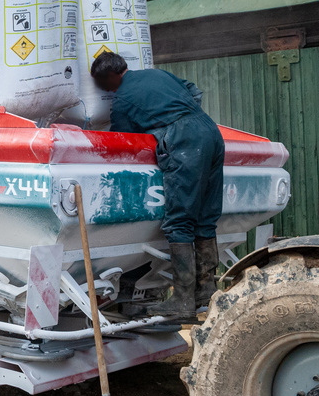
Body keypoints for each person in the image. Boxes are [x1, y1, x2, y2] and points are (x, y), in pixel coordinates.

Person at [91, 52, 224, 319]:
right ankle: (206, 291)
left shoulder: (123, 101)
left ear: (110, 77)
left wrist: (171, 127)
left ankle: (183, 300)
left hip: (184, 141)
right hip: (210, 132)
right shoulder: (156, 73)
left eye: (101, 84)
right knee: (205, 218)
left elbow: (124, 142)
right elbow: (193, 89)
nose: (103, 90)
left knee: (179, 222)